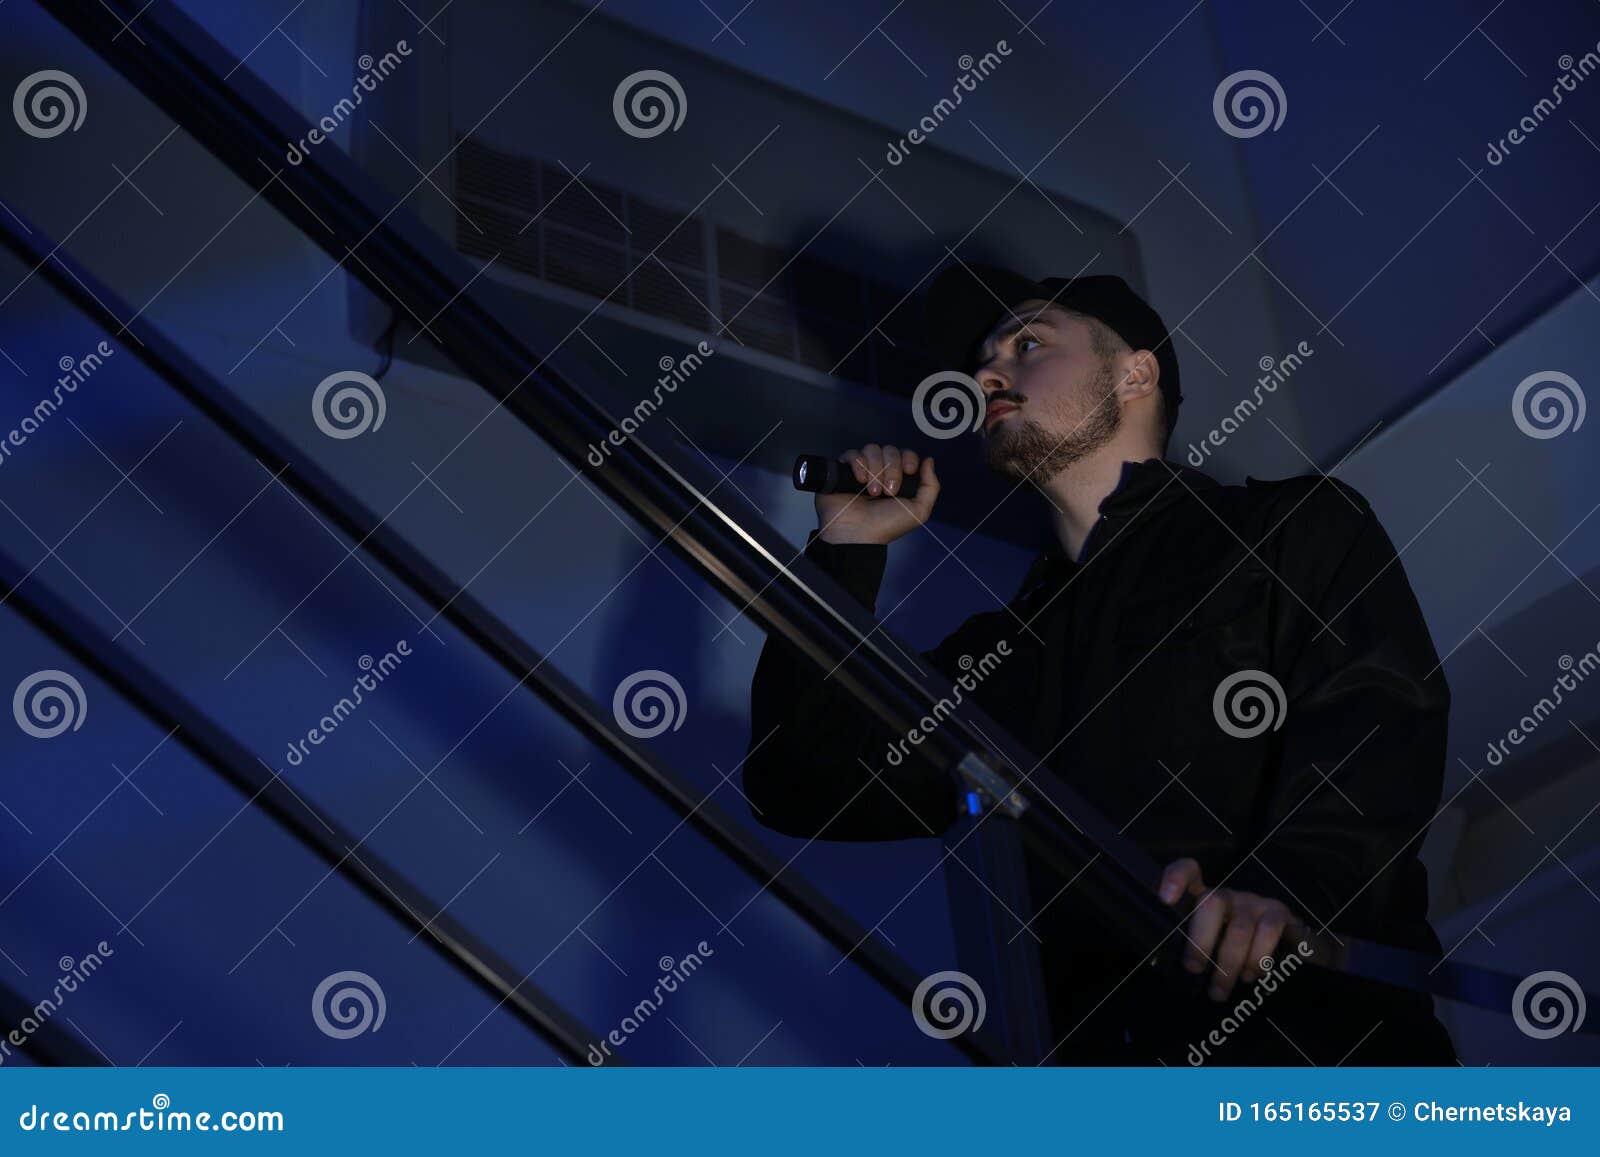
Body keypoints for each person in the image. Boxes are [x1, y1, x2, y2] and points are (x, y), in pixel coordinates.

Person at [743, 263, 1457, 1064]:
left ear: (1135, 372)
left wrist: (1290, 893)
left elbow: (1376, 721)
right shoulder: (997, 659)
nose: (986, 373)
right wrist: (846, 554)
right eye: (985, 357)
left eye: (1027, 342)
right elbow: (795, 781)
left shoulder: (1292, 531)